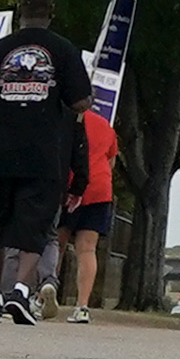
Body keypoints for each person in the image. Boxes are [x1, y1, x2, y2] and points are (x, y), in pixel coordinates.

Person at [0, 0, 93, 323]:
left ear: (19, 8)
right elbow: (81, 102)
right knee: (34, 228)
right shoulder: (64, 51)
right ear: (52, 11)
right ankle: (20, 291)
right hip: (44, 155)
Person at [57, 97, 118, 322]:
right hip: (99, 189)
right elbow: (111, 160)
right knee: (87, 250)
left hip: (68, 187)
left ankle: (42, 297)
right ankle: (82, 306)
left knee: (56, 245)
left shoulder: (63, 121)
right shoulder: (105, 126)